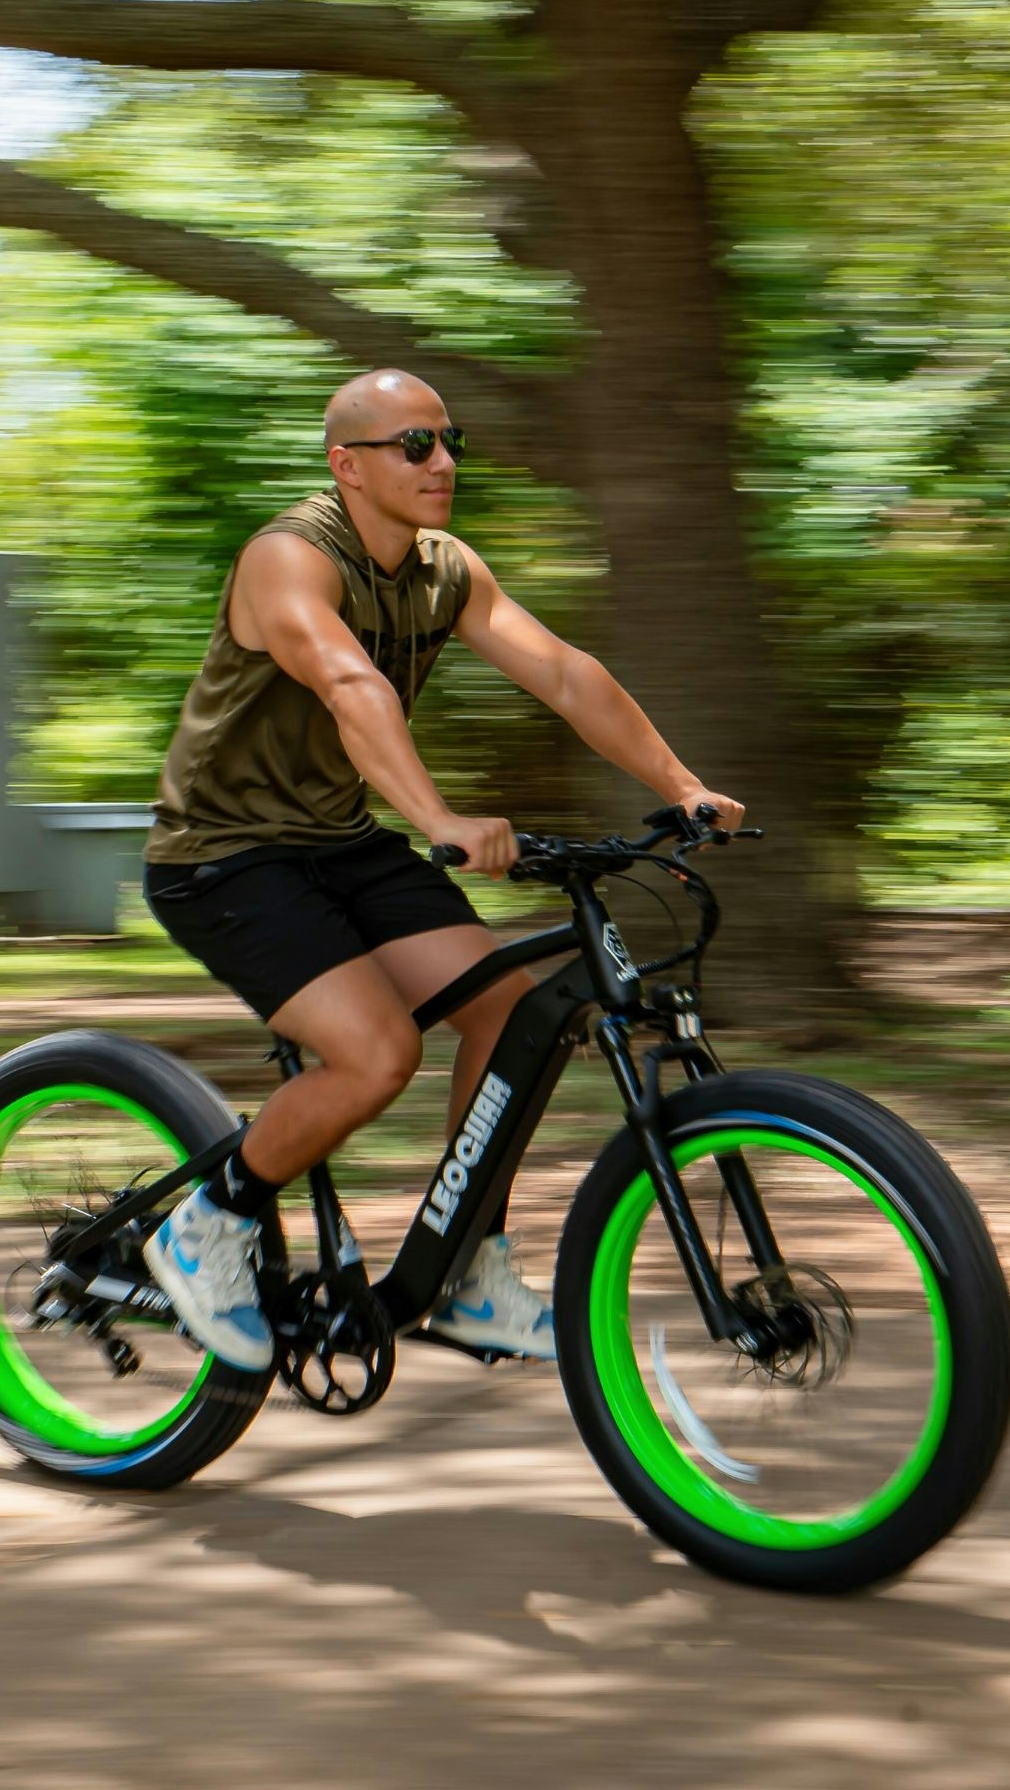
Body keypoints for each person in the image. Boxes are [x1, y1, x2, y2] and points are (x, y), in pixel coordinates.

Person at [137, 369, 742, 1370]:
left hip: (337, 839)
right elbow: (347, 682)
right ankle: (206, 1224)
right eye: (414, 444)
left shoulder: (443, 569)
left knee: (512, 1010)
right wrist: (439, 818)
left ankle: (466, 1268)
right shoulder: (287, 560)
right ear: (348, 466)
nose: (444, 462)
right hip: (223, 854)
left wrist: (684, 783)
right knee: (376, 1054)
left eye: (448, 439)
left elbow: (561, 671)